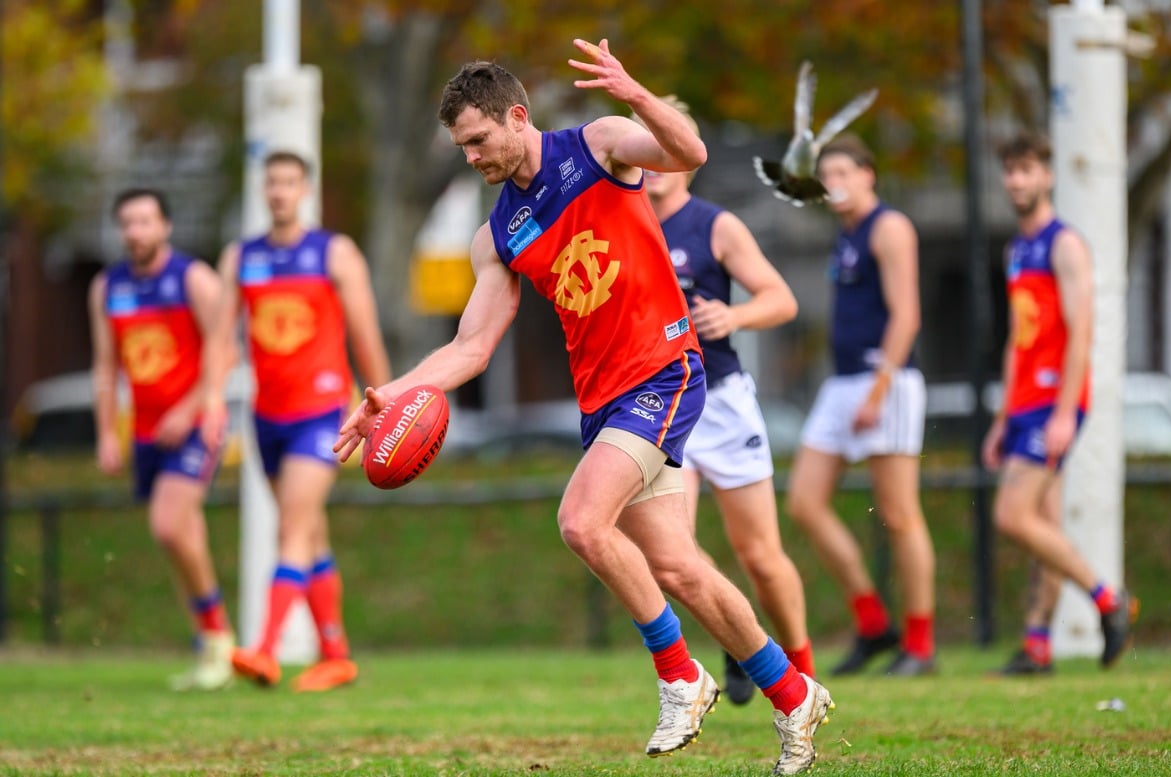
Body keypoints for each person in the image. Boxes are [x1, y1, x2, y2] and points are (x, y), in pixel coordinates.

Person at [335, 42, 834, 774]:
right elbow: (472, 346)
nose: (471, 156)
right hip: (603, 399)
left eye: (479, 140)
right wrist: (396, 396)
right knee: (680, 567)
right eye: (460, 146)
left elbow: (687, 147)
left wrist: (635, 89)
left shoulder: (597, 146)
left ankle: (680, 676)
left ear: (516, 116)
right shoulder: (497, 234)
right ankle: (794, 695)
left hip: (663, 372)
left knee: (579, 519)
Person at [640, 96, 815, 704]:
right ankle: (745, 642)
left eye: (670, 145)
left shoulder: (715, 225)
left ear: (689, 158)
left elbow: (782, 298)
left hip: (721, 401)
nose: (657, 158)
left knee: (762, 556)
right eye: (648, 143)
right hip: (660, 408)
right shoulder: (624, 221)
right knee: (675, 552)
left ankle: (802, 669)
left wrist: (733, 313)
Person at [202, 150, 391, 692]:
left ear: (305, 189)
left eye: (290, 182)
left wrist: (382, 404)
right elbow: (219, 339)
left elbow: (366, 336)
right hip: (267, 417)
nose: (280, 191)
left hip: (322, 411)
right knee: (308, 532)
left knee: (290, 526)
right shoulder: (241, 257)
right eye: (272, 183)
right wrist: (213, 399)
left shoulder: (333, 253)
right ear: (263, 190)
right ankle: (336, 654)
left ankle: (265, 650)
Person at [784, 135, 937, 677]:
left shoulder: (889, 227)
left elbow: (906, 316)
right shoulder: (844, 235)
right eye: (827, 174)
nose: (835, 183)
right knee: (804, 502)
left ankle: (920, 645)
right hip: (842, 381)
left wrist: (878, 391)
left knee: (898, 514)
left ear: (869, 173)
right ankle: (873, 623)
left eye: (845, 171)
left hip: (884, 380)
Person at [985, 131, 1136, 674]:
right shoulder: (1016, 247)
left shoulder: (1063, 243)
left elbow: (1081, 331)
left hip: (1054, 401)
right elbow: (1016, 336)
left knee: (1012, 515)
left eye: (1026, 169)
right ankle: (1037, 645)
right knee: (1042, 523)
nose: (1017, 180)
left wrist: (1067, 410)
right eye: (1010, 170)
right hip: (1025, 402)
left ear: (1048, 175)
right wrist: (1002, 417)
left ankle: (1106, 599)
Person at [88, 188, 235, 691]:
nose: (136, 231)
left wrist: (192, 407)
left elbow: (226, 353)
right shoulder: (107, 287)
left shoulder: (193, 278)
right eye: (127, 222)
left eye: (145, 221)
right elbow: (106, 367)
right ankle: (211, 645)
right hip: (147, 431)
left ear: (165, 226)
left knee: (169, 526)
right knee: (182, 537)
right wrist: (107, 430)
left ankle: (217, 638)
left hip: (196, 424)